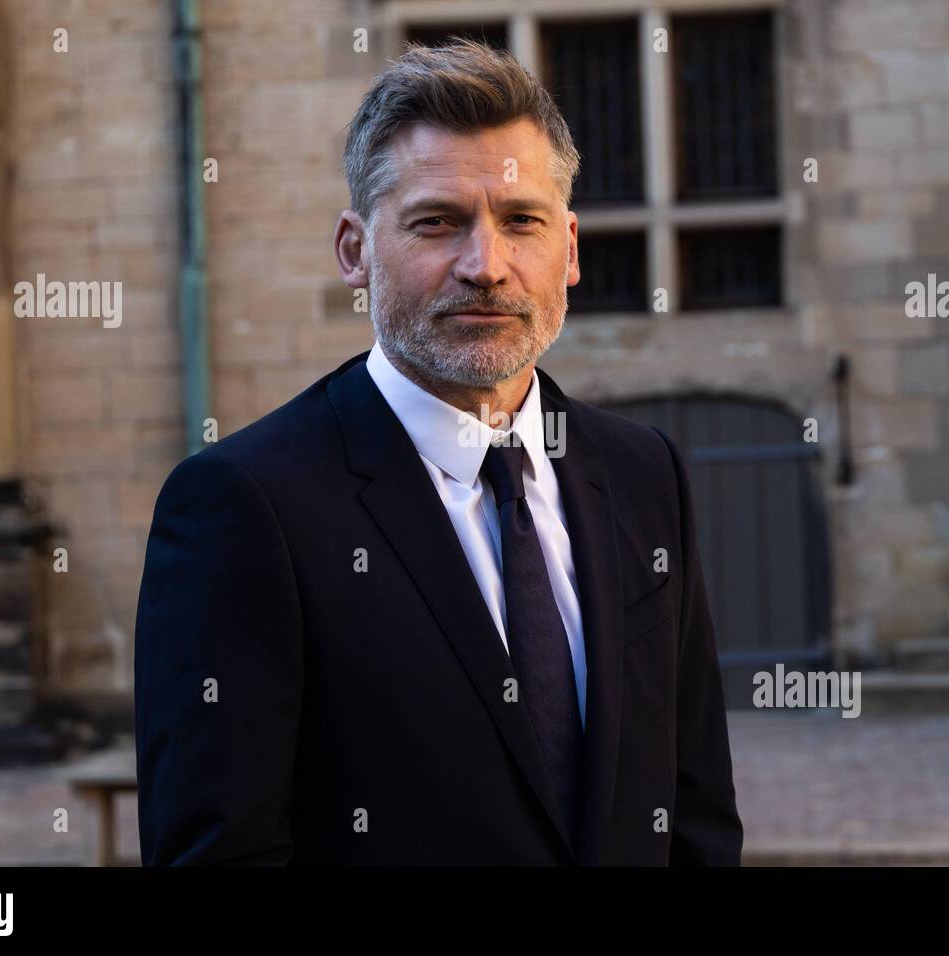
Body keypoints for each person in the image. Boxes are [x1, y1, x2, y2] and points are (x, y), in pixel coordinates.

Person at [135, 38, 744, 866]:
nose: (485, 267)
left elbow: (697, 812)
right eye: (437, 223)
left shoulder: (644, 474)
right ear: (355, 250)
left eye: (519, 221)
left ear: (567, 249)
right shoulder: (244, 506)